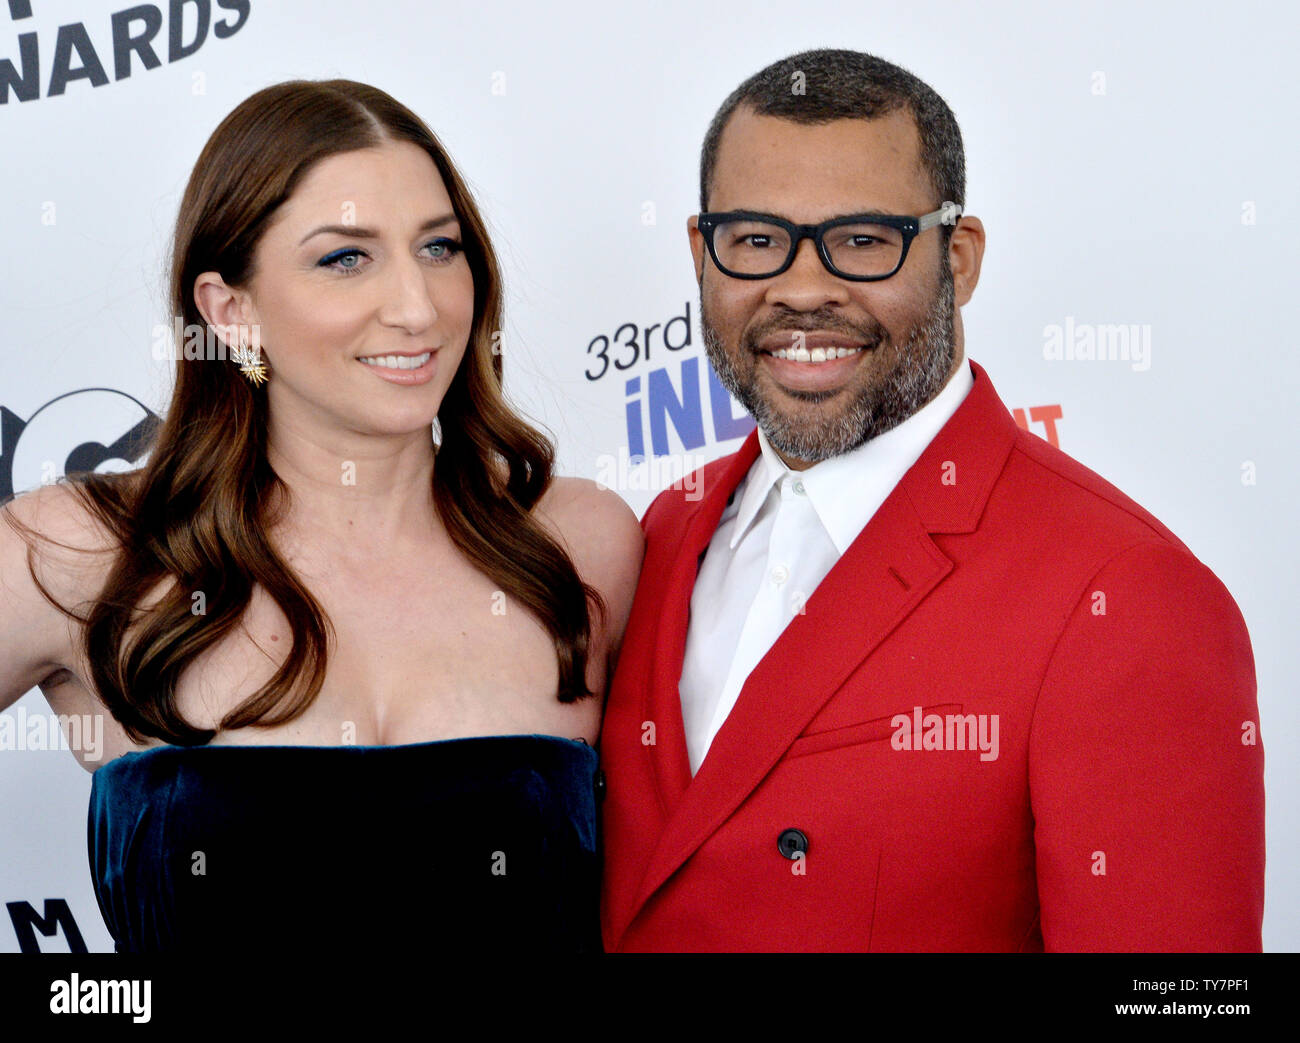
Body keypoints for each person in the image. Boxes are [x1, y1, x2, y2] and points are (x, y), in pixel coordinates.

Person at [598, 49, 1264, 952]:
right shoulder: (662, 530)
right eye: (756, 238)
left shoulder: (1125, 597)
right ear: (700, 252)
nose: (802, 287)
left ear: (959, 257)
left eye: (863, 239)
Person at [0, 79, 643, 953]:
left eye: (439, 247)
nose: (418, 307)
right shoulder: (77, 552)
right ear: (231, 312)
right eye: (347, 258)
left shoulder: (583, 542)